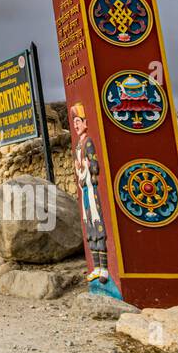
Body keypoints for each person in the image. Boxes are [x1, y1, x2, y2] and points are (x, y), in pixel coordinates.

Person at [70, 102, 119, 298]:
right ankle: (97, 267)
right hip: (85, 190)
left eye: (78, 121)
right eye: (73, 122)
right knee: (89, 225)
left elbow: (95, 165)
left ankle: (104, 267)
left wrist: (87, 165)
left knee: (98, 224)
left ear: (85, 122)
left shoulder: (88, 142)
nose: (75, 125)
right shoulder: (77, 145)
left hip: (92, 189)